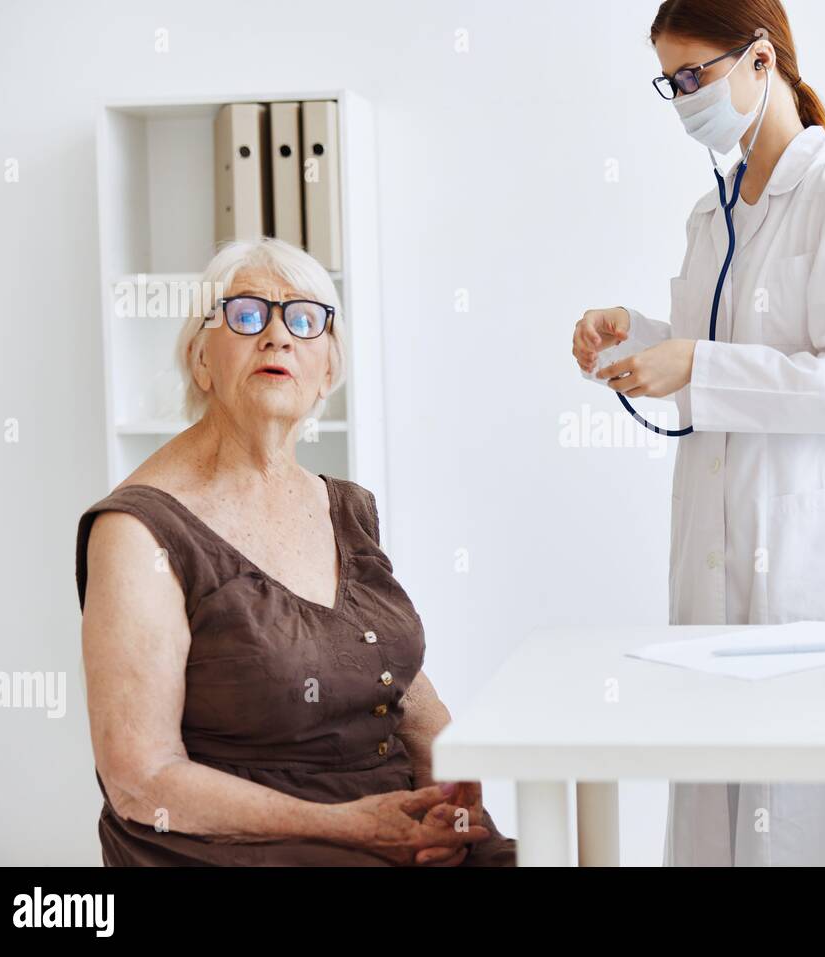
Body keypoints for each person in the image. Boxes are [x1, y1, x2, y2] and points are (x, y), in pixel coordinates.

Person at [571, 0, 825, 866]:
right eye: (672, 83)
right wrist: (636, 335)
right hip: (713, 554)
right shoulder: (714, 210)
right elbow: (714, 352)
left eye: (695, 75)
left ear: (761, 60)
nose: (685, 98)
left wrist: (694, 365)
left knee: (808, 817)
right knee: (718, 807)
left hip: (807, 563)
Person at [77, 237, 514, 865]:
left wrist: (453, 796)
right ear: (201, 359)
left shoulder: (345, 507)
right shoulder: (137, 530)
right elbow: (139, 780)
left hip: (389, 825)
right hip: (243, 847)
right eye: (247, 315)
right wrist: (353, 827)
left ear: (327, 371)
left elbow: (403, 685)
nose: (278, 336)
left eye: (305, 320)